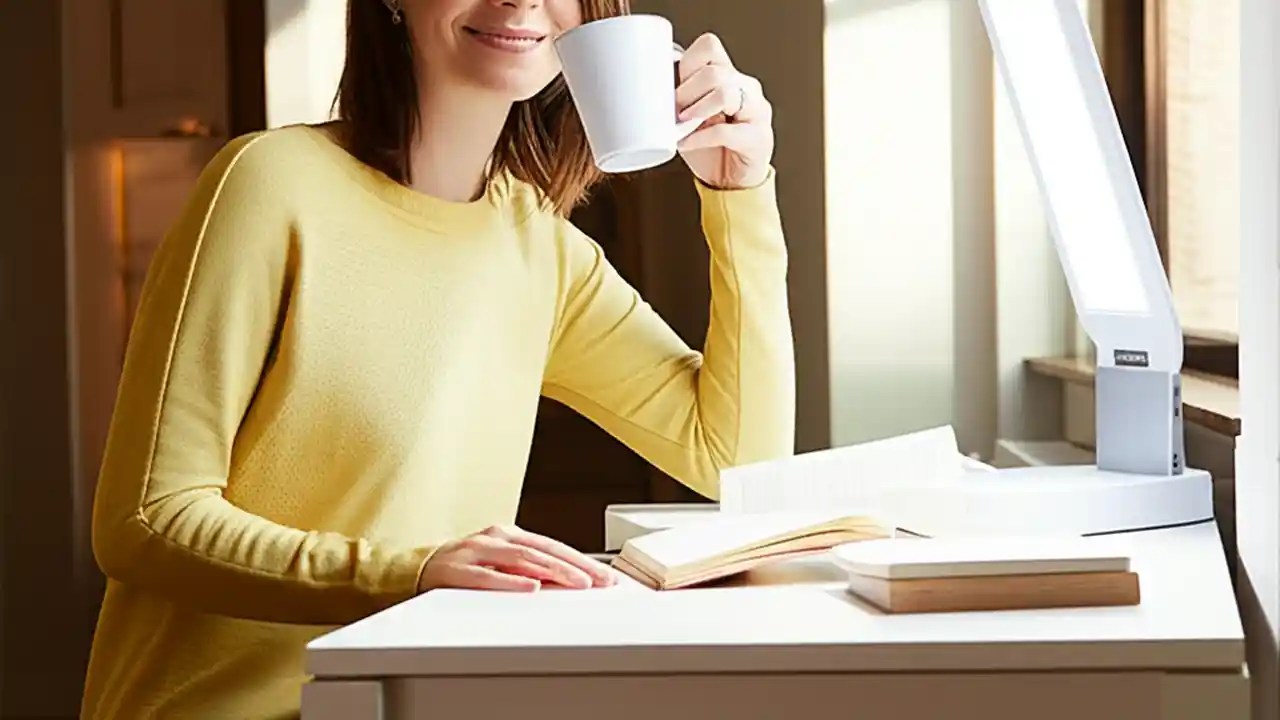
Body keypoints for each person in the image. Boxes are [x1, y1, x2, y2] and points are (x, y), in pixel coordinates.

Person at [79, 0, 794, 716]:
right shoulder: (270, 185)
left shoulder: (540, 248)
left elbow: (737, 458)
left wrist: (738, 191)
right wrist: (415, 572)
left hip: (414, 700)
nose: (519, 1)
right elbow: (146, 522)